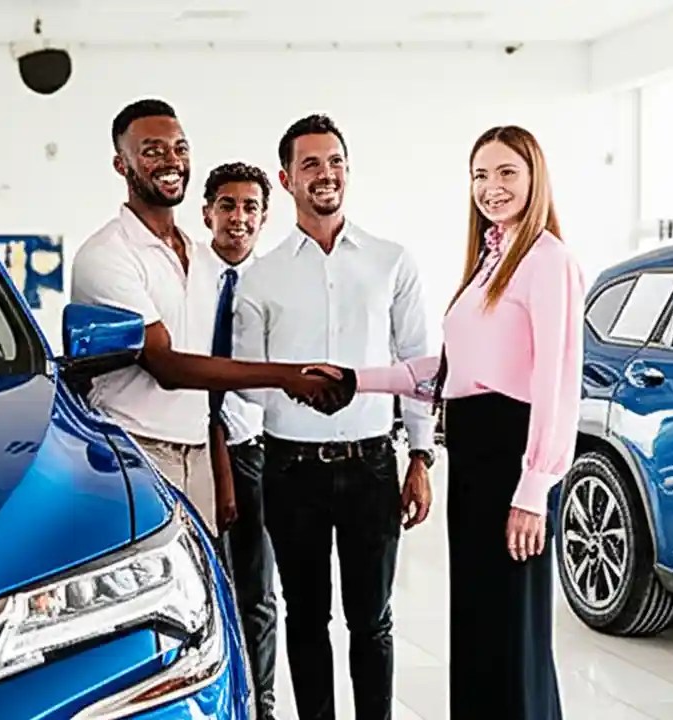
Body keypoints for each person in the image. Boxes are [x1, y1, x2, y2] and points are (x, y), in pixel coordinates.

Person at [305, 125, 583, 720]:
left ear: (535, 177)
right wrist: (356, 379)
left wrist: (533, 489)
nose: (491, 187)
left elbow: (557, 382)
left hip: (512, 462)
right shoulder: (491, 259)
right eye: (480, 175)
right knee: (480, 627)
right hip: (476, 459)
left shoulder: (547, 259)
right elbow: (451, 370)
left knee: (512, 633)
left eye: (506, 172)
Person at [230, 113, 436, 720]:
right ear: (286, 178)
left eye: (336, 161)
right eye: (311, 164)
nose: (326, 174)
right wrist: (298, 392)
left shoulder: (391, 261)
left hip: (372, 465)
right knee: (305, 618)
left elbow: (418, 365)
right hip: (290, 470)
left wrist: (420, 457)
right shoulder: (260, 277)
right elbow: (248, 380)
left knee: (372, 620)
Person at [69, 98, 346, 538]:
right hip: (134, 449)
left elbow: (209, 384)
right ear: (122, 164)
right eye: (152, 151)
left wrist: (219, 466)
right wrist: (286, 376)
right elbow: (166, 366)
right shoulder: (106, 254)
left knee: (208, 576)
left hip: (197, 452)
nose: (171, 161)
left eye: (180, 148)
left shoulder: (200, 257)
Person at [198, 161, 280, 719]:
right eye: (227, 205)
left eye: (251, 207)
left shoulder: (274, 282)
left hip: (253, 451)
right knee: (201, 585)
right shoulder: (185, 276)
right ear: (207, 212)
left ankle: (261, 703)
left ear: (264, 217)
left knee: (257, 591)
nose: (239, 217)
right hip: (191, 448)